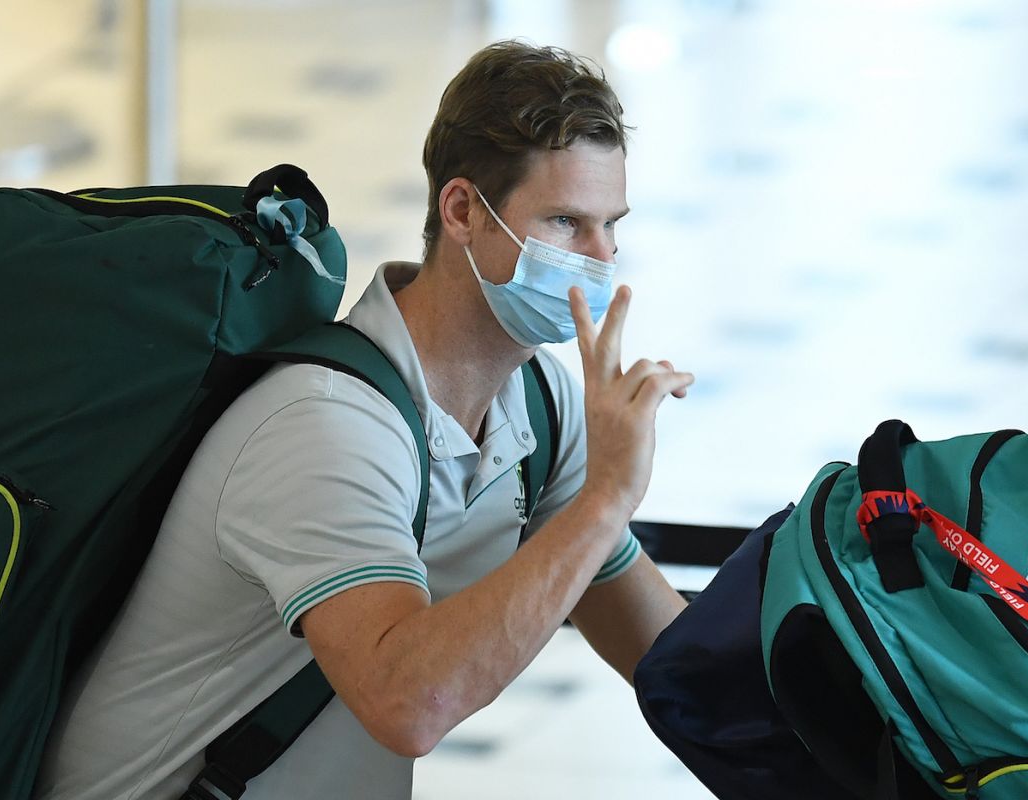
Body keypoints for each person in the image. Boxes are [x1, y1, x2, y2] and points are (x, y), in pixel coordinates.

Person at [34, 39, 694, 800]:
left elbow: (671, 662)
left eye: (613, 225)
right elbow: (410, 705)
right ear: (461, 210)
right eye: (565, 223)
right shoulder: (324, 425)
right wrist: (608, 495)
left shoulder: (540, 407)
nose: (601, 259)